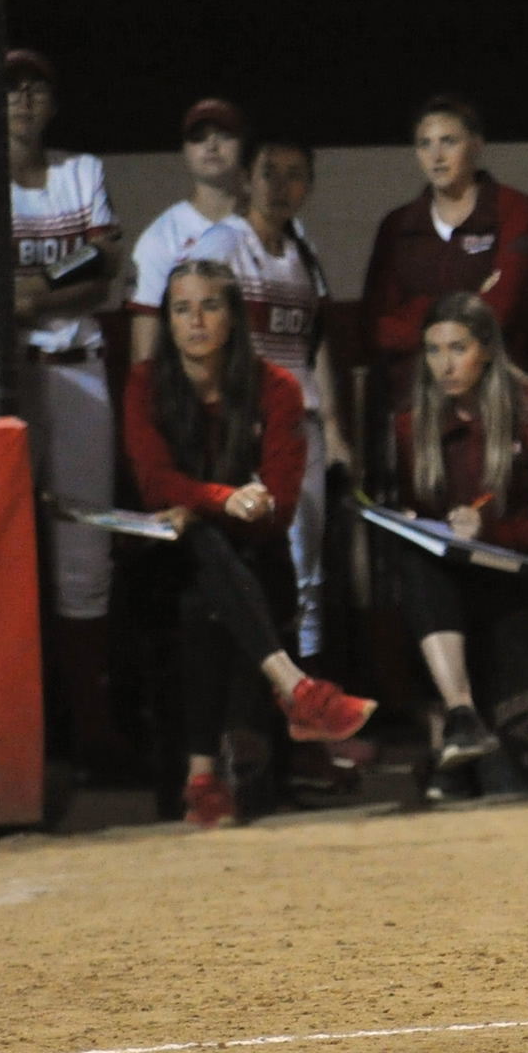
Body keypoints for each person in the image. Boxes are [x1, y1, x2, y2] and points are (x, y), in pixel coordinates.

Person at [123, 259, 377, 827]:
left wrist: (212, 509)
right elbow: (152, 484)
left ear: (234, 317)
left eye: (209, 306)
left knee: (206, 575)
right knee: (199, 548)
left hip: (253, 558)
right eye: (181, 309)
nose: (195, 321)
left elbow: (281, 503)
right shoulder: (146, 384)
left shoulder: (276, 388)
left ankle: (202, 780)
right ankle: (295, 689)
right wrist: (223, 498)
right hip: (165, 560)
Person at [0, 49, 129, 775]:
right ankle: (14, 736)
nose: (22, 98)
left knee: (86, 553)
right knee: (5, 554)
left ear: (50, 100)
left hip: (79, 373)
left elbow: (107, 263)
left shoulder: (82, 171)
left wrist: (39, 290)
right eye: (10, 87)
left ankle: (95, 732)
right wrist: (66, 278)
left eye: (34, 86)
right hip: (8, 382)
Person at [381, 291, 528, 802]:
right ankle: (462, 712)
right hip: (454, 579)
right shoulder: (411, 421)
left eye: (458, 348)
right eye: (433, 351)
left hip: (523, 572)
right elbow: (414, 505)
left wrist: (488, 532)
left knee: (524, 778)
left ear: (487, 349)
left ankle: (466, 747)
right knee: (413, 558)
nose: (444, 365)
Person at [187, 133, 351, 669]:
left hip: (299, 427)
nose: (281, 186)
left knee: (309, 568)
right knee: (252, 562)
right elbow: (195, 334)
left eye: (295, 174)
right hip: (245, 427)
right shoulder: (222, 245)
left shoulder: (304, 251)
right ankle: (254, 706)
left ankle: (311, 697)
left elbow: (315, 342)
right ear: (246, 181)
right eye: (269, 173)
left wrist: (334, 429)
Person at [362, 95, 528, 386]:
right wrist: (467, 306)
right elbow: (378, 327)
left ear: (476, 145)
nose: (436, 155)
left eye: (449, 141)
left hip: (490, 389)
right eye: (425, 143)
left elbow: (500, 311)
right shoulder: (398, 224)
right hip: (411, 391)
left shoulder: (513, 209)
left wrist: (417, 310)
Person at [126, 98, 246, 364]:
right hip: (194, 394)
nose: (212, 146)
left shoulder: (279, 227)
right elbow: (145, 348)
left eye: (224, 135)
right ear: (185, 150)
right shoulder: (161, 236)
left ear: (243, 145)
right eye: (199, 138)